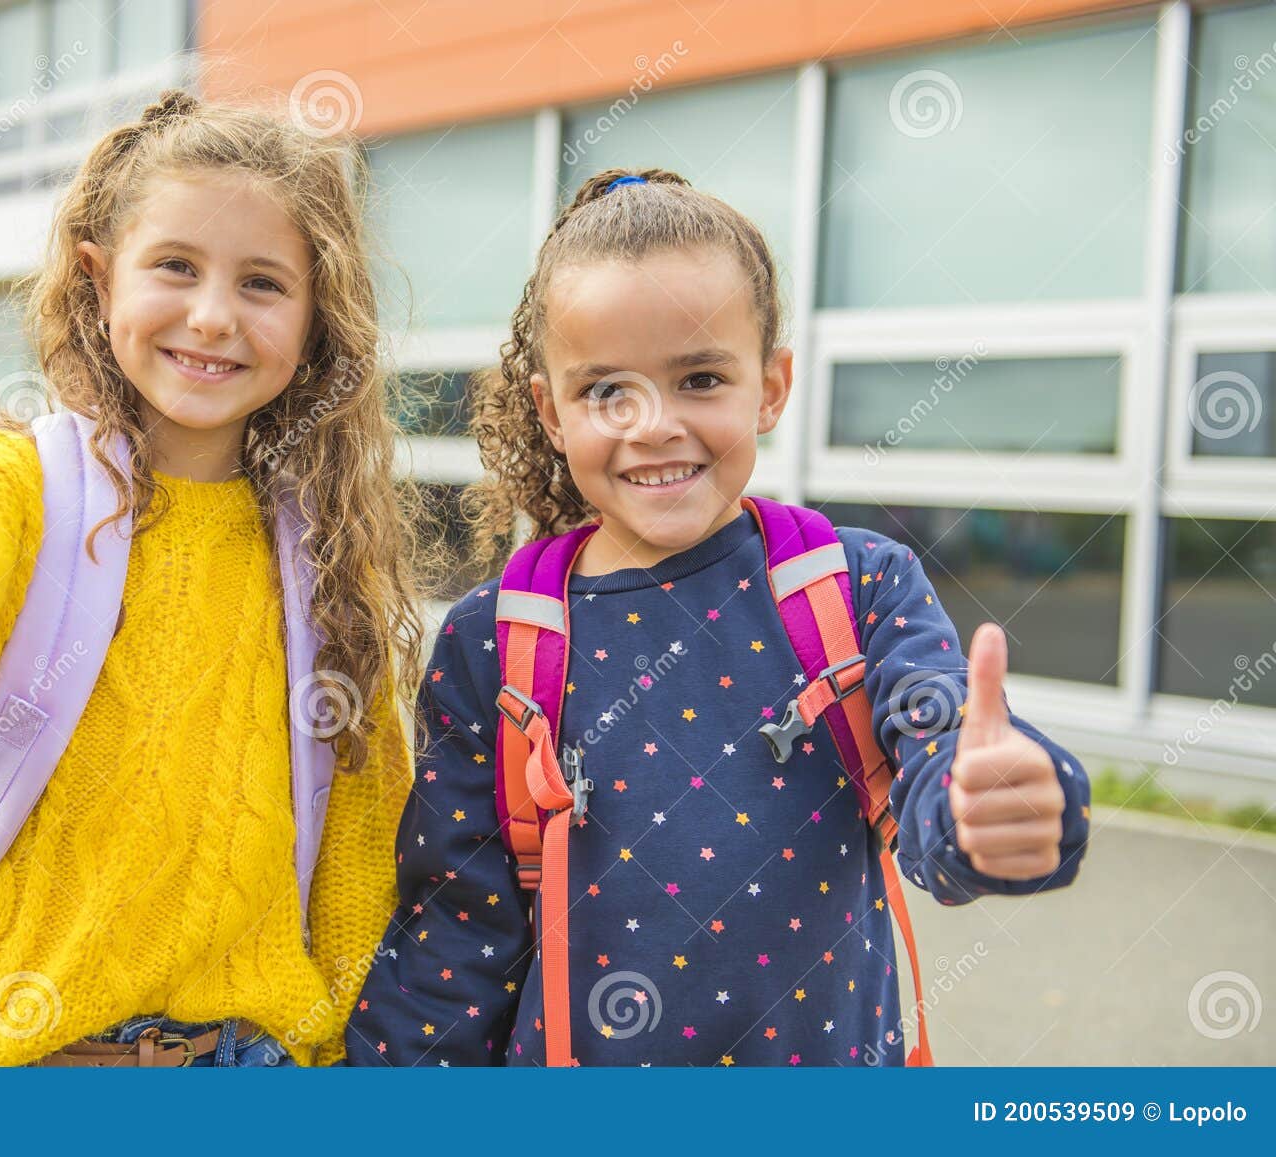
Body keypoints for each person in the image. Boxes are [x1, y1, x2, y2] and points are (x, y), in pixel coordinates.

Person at [346, 168, 1091, 1067]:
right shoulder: (491, 641)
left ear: (770, 386)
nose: (655, 425)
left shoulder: (857, 586)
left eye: (700, 377)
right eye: (606, 391)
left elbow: (942, 763)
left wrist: (993, 806)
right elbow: (455, 944)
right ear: (550, 410)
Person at [0, 90, 421, 1068]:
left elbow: (360, 855)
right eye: (176, 266)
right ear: (97, 279)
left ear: (317, 317)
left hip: (263, 1066)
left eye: (264, 283)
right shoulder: (9, 486)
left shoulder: (326, 556)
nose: (212, 315)